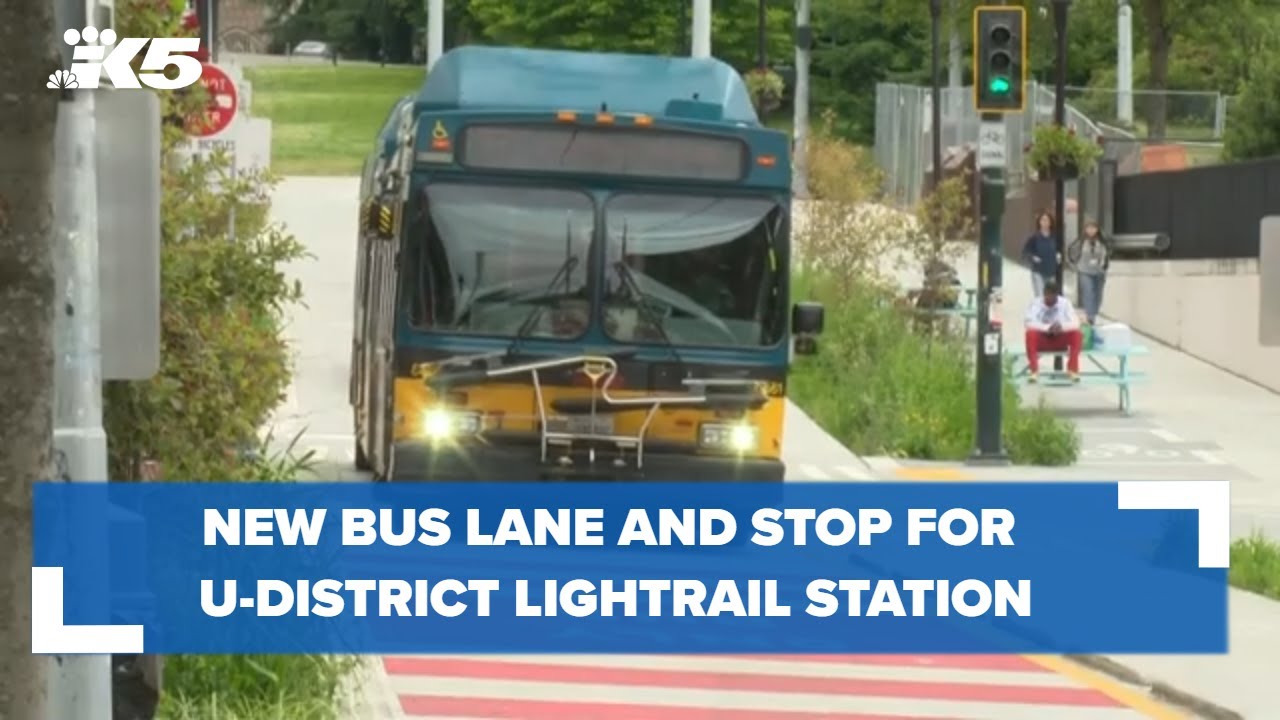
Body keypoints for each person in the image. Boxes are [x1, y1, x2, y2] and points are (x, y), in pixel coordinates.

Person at [1024, 281, 1082, 383]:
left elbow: (1076, 323)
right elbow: (1028, 323)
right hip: (1043, 339)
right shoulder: (1036, 303)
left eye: (1053, 296)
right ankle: (1034, 371)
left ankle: (1072, 369)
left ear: (1057, 295)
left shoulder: (1065, 303)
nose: (1050, 298)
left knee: (1077, 334)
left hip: (1059, 338)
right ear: (1044, 293)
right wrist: (1047, 328)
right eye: (1048, 295)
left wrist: (1061, 327)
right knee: (1030, 334)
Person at [1067, 220, 1112, 325]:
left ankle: (1094, 313)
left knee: (1098, 295)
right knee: (1088, 292)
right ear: (1085, 229)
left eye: (1093, 228)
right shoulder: (1080, 242)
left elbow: (1106, 256)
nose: (1091, 230)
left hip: (1099, 272)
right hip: (1084, 271)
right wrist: (1075, 265)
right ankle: (1090, 316)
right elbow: (1071, 252)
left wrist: (1104, 266)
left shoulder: (1102, 242)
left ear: (1097, 229)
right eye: (1089, 228)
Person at [1022, 211, 1059, 297]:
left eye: (1047, 220)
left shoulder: (1055, 237)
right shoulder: (1034, 237)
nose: (1045, 222)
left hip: (1051, 271)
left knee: (1050, 297)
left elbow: (1060, 251)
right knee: (1040, 296)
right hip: (1038, 270)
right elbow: (1025, 252)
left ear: (1051, 222)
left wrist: (1058, 258)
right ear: (1039, 222)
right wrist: (1033, 257)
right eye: (1043, 220)